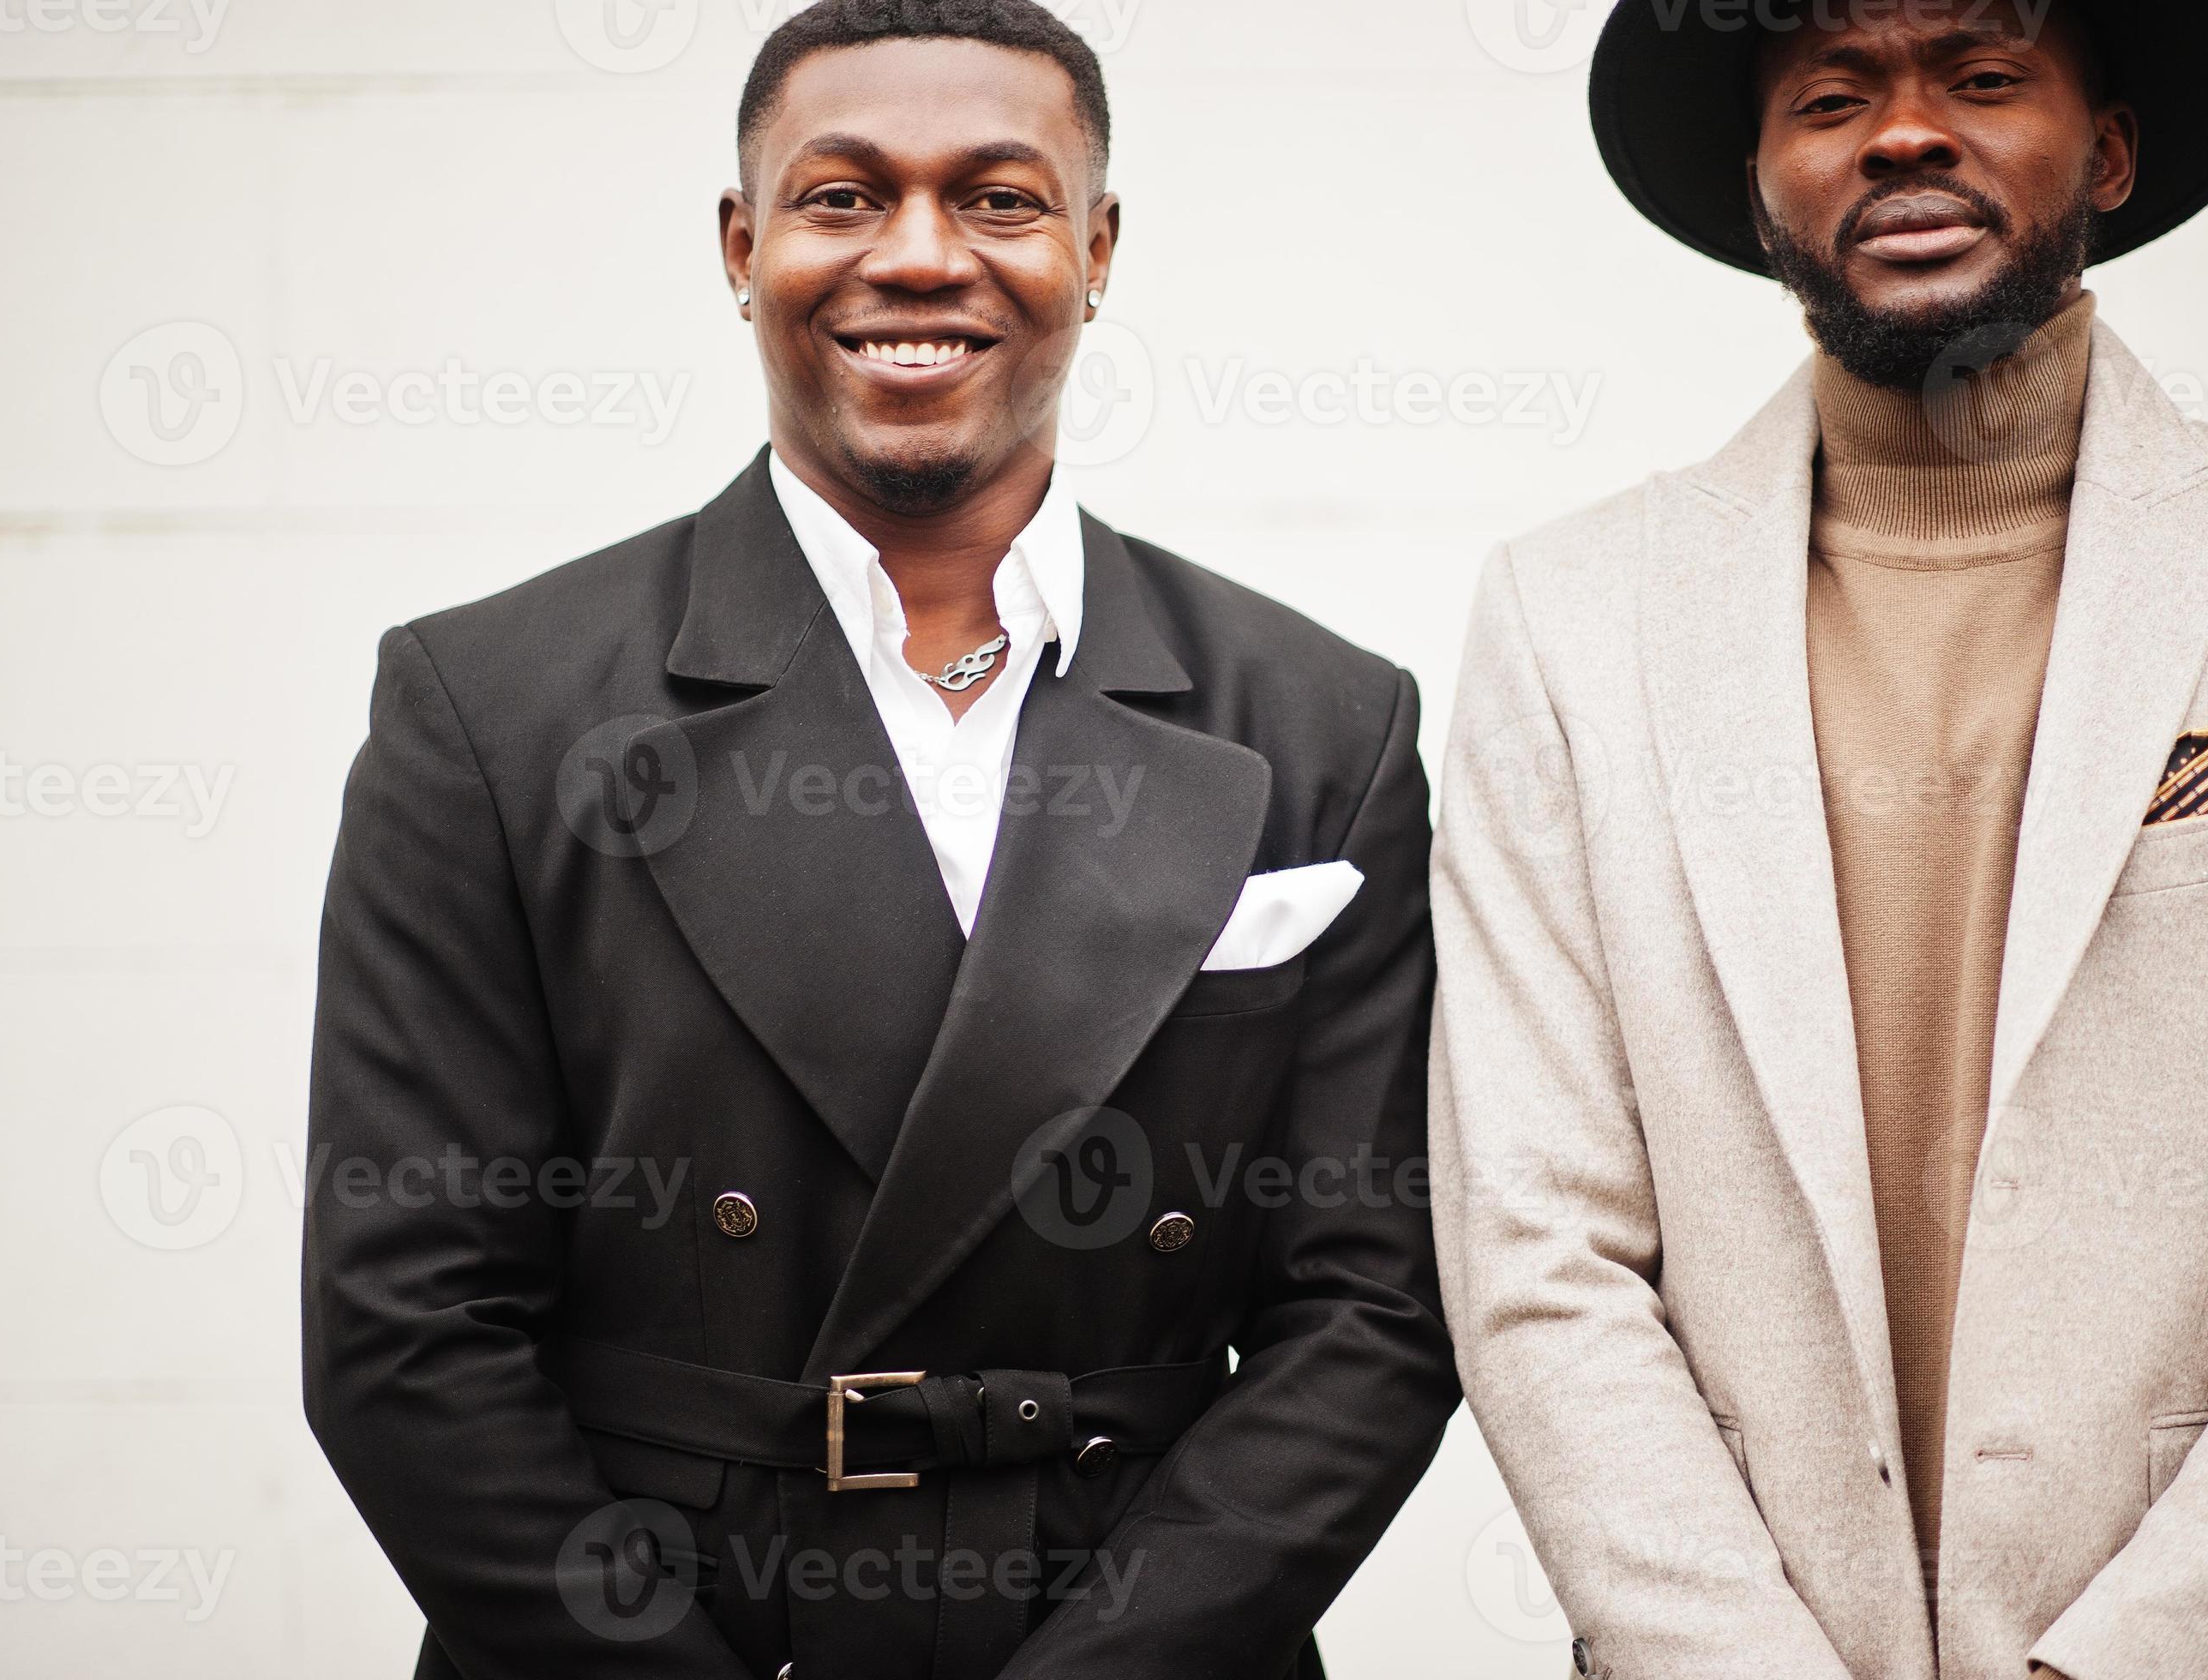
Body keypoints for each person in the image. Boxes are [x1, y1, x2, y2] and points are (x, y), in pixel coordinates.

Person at [303, 3, 1457, 1675]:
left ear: (1096, 249)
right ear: (742, 245)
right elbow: (406, 1325)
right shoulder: (489, 707)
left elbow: (1373, 1308)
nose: (918, 256)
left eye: (999, 198)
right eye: (842, 196)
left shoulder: (1324, 720)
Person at [1431, 3, 2208, 1676]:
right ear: (1759, 184)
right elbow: (1535, 1245)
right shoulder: (1568, 619)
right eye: (1831, 97)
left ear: (2107, 151)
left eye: (1983, 78)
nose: (1905, 132)